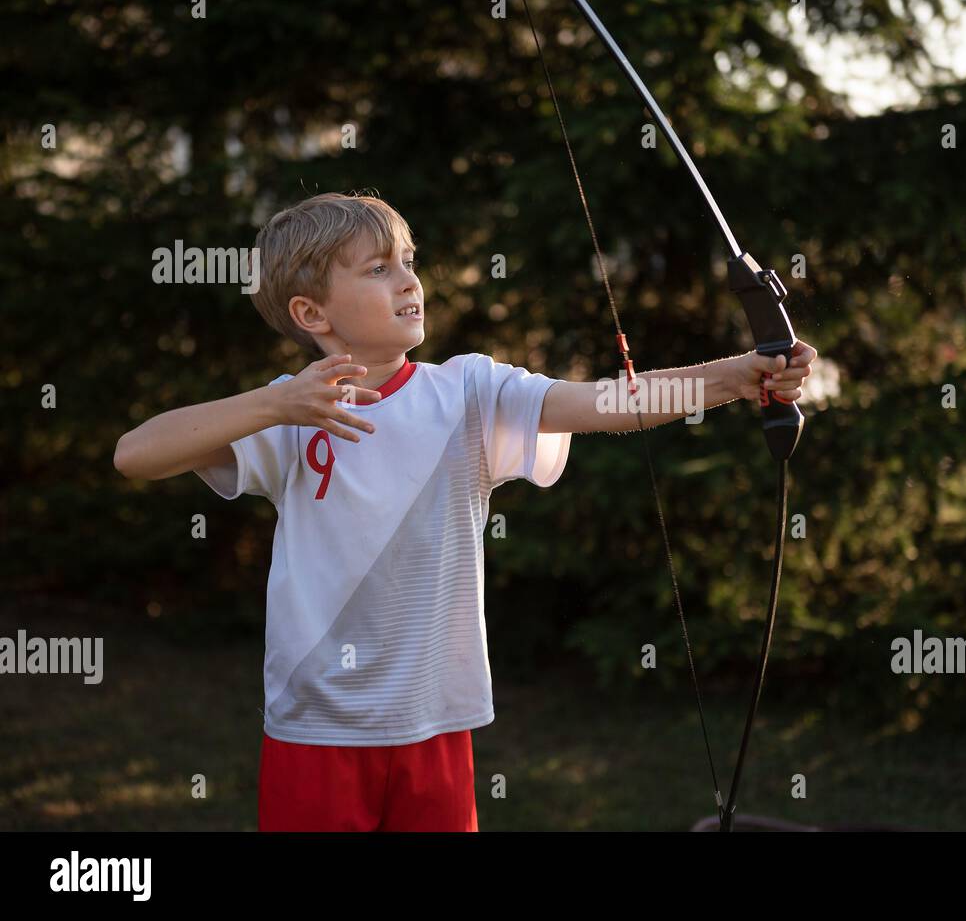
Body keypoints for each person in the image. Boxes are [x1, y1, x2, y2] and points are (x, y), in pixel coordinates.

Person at [113, 191, 816, 831]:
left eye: (409, 262)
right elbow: (134, 454)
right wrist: (275, 403)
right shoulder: (290, 412)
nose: (409, 281)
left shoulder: (470, 392)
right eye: (379, 268)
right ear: (311, 313)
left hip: (436, 722)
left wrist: (732, 377)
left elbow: (611, 402)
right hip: (317, 729)